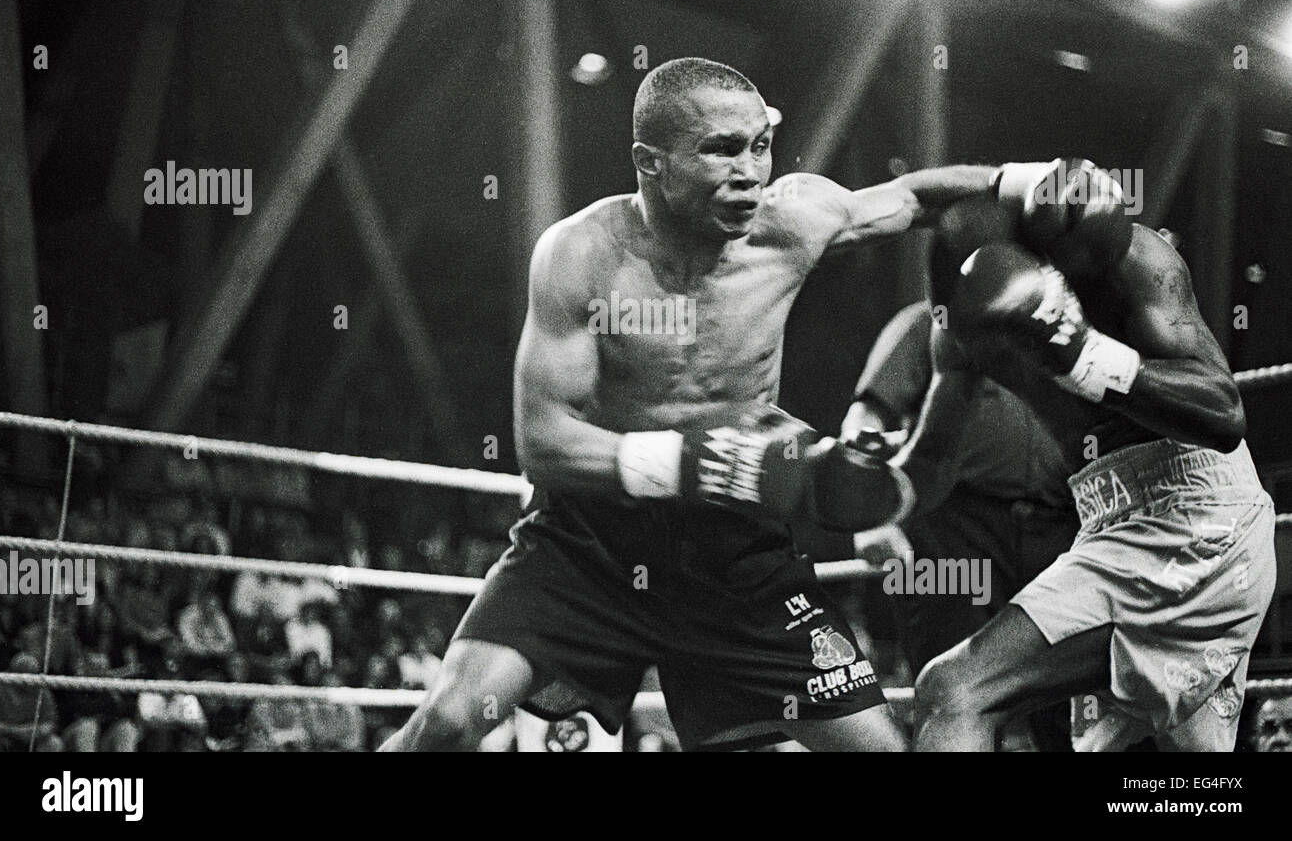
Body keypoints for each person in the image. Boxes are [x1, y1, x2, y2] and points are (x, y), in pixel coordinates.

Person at [381, 57, 1013, 752]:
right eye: (721, 149)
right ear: (649, 162)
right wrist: (701, 463)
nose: (749, 170)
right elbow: (543, 441)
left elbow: (913, 199)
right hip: (592, 548)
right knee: (448, 723)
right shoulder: (581, 254)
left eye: (760, 144)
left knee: (883, 751)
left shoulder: (792, 223)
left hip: (736, 558)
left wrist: (1026, 181)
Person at [847, 160, 1276, 750]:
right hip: (1107, 516)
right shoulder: (956, 328)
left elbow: (1225, 415)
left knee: (954, 691)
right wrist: (864, 492)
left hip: (1199, 514)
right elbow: (931, 465)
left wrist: (1083, 353)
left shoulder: (1138, 262)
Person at [841, 301, 1080, 749]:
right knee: (950, 693)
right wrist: (866, 512)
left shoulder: (1066, 324)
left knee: (1071, 709)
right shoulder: (930, 322)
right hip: (951, 529)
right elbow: (868, 418)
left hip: (1062, 529)